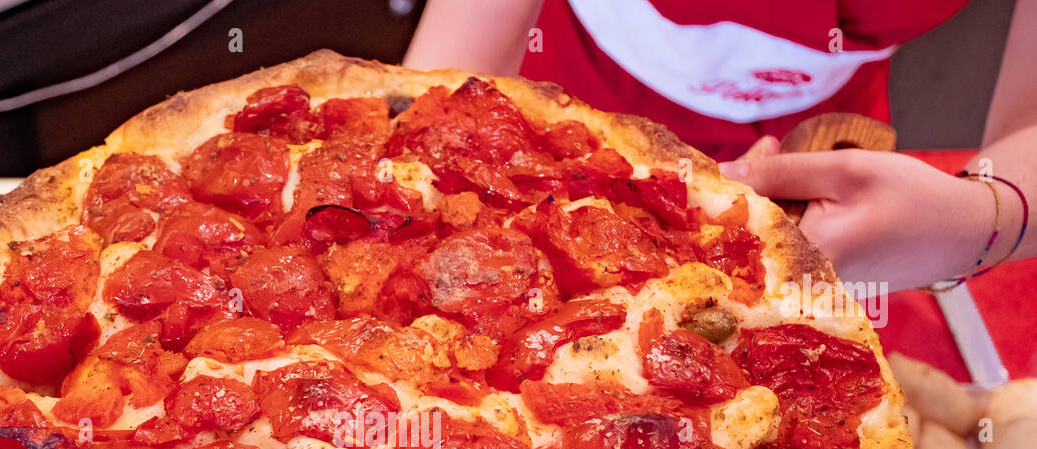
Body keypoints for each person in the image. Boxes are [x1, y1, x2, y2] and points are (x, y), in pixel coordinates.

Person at [403, 0, 1037, 292]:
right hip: (570, 97)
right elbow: (447, 80)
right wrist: (422, 169)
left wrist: (981, 221)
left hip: (828, 137)